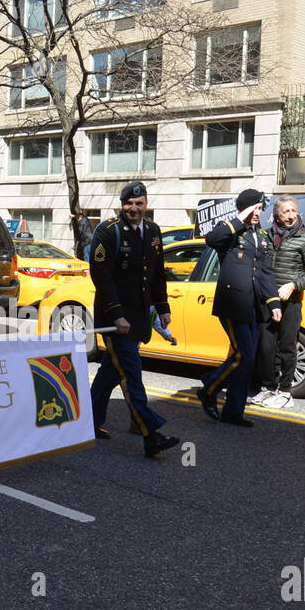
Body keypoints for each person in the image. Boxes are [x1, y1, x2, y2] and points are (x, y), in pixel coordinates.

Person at [88, 180, 179, 458]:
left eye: (139, 204)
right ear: (122, 205)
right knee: (131, 374)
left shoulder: (152, 231)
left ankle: (87, 421)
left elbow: (156, 273)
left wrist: (163, 307)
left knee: (110, 373)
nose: (134, 208)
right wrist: (117, 315)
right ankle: (150, 434)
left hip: (138, 317)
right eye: (129, 204)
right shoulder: (108, 231)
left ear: (146, 205)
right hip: (115, 319)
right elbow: (101, 276)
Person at [197, 188, 281, 427]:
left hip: (254, 306)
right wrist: (240, 218)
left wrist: (273, 302)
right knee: (243, 354)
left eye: (260, 208)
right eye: (255, 208)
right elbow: (212, 240)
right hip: (233, 304)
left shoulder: (261, 237)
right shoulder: (232, 230)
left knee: (247, 358)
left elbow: (266, 273)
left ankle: (233, 412)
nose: (258, 213)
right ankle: (209, 388)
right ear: (245, 208)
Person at [253, 195, 305, 410]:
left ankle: (285, 392)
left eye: (294, 211)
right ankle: (269, 388)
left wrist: (293, 285)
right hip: (268, 299)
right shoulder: (266, 235)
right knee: (266, 347)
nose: (291, 215)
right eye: (286, 212)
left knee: (287, 347)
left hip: (290, 302)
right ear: (277, 216)